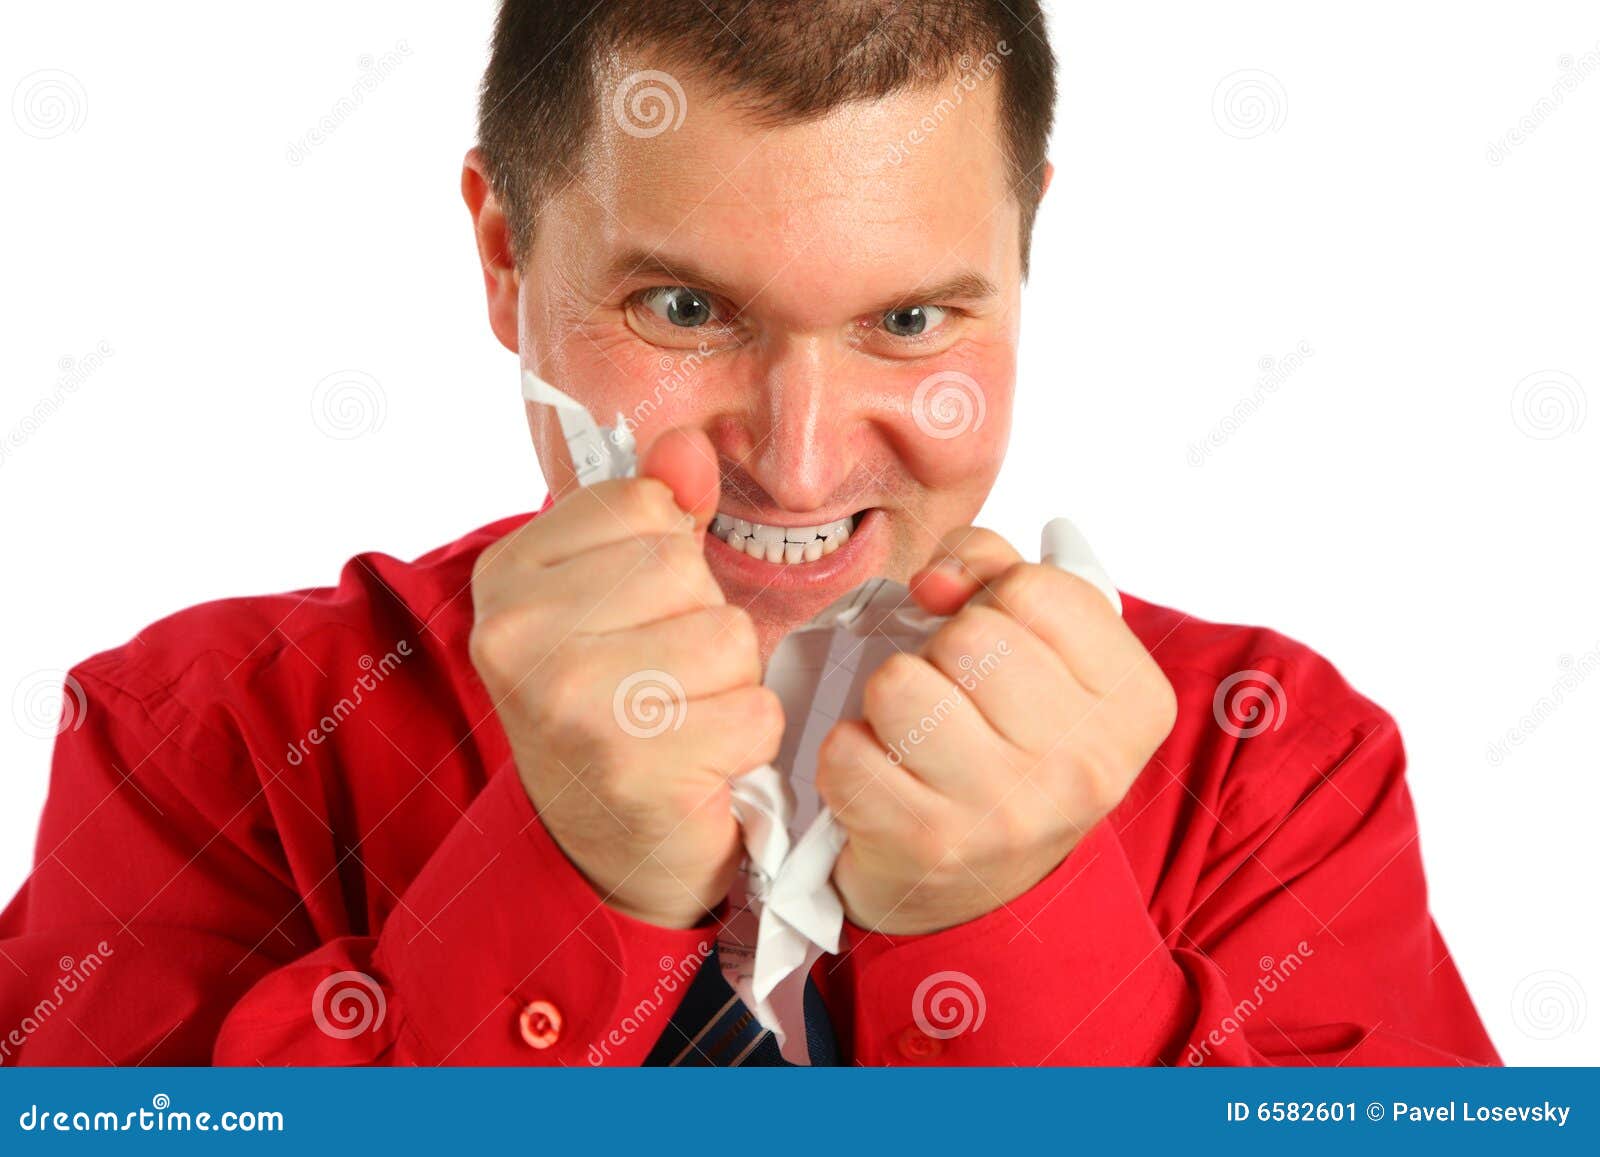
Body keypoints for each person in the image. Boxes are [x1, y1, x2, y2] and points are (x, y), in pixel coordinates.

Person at [0, 0, 1497, 1067]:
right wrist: (567, 889)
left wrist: (1008, 932)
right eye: (685, 309)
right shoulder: (203, 743)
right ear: (507, 257)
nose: (799, 460)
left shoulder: (1275, 769)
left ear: (1024, 250)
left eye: (909, 321)